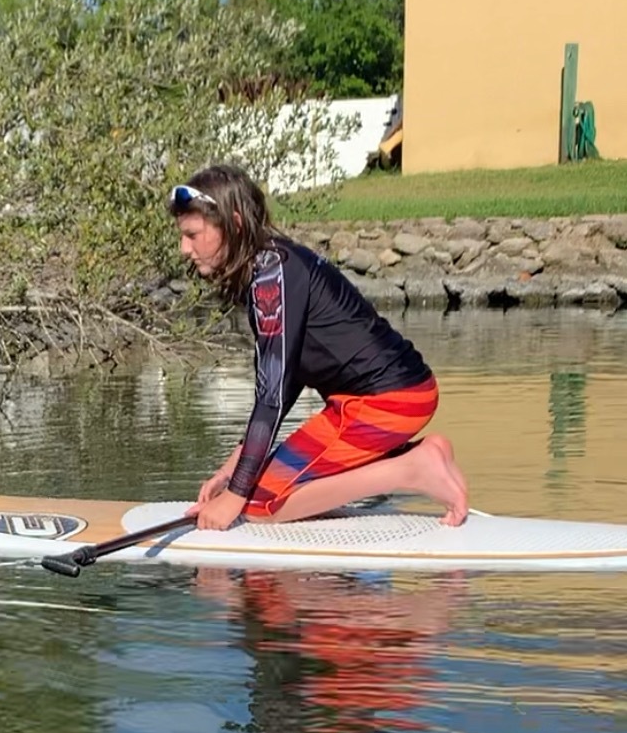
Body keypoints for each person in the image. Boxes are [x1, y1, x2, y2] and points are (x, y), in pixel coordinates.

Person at [170, 162, 468, 532]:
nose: (185, 248)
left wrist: (235, 497)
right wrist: (230, 474)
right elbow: (284, 383)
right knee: (251, 489)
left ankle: (410, 470)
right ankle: (424, 455)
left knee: (261, 505)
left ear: (235, 223)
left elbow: (272, 397)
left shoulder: (270, 278)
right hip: (366, 401)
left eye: (193, 234)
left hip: (389, 402)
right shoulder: (271, 266)